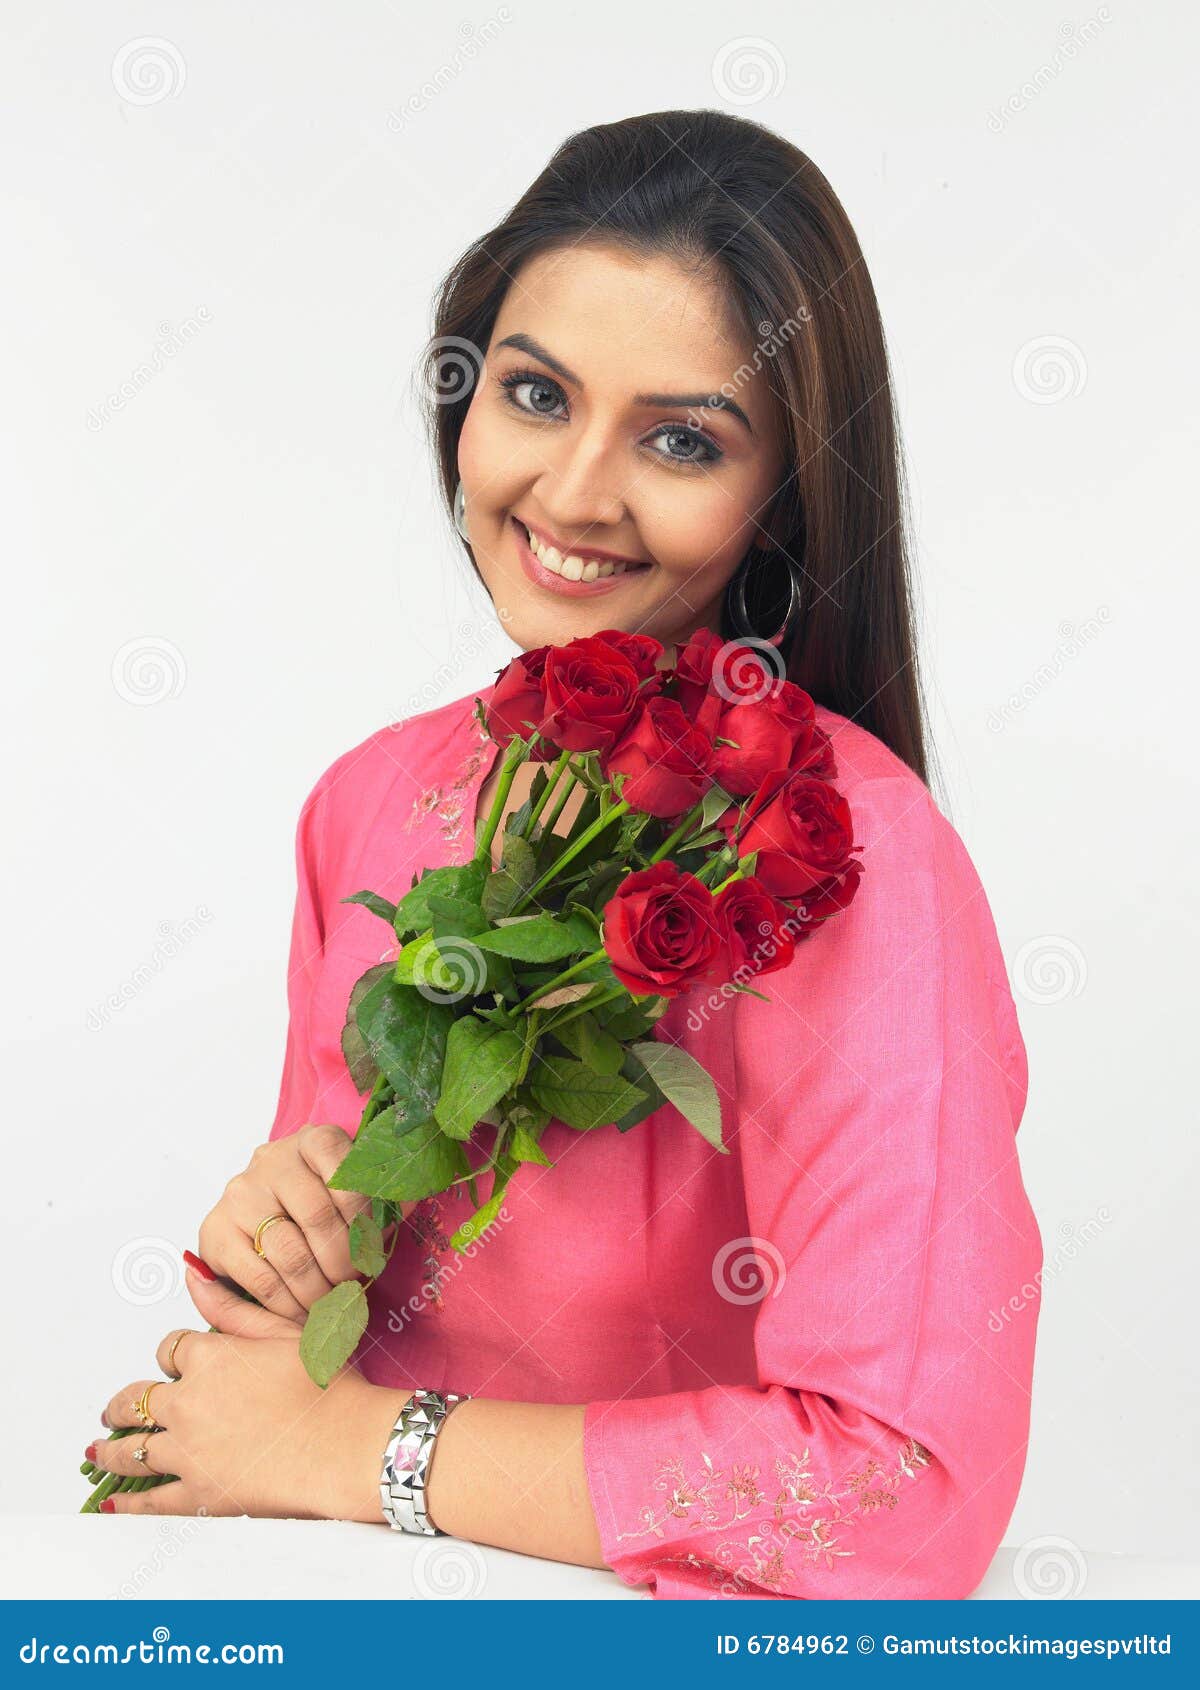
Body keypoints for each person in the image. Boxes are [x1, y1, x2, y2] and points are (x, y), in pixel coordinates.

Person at [89, 109, 1042, 1601]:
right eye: (535, 394)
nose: (577, 493)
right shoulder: (370, 801)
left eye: (681, 439)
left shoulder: (850, 861)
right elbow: (295, 1391)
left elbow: (892, 1486)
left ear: (784, 493)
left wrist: (365, 1451)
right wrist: (281, 1261)